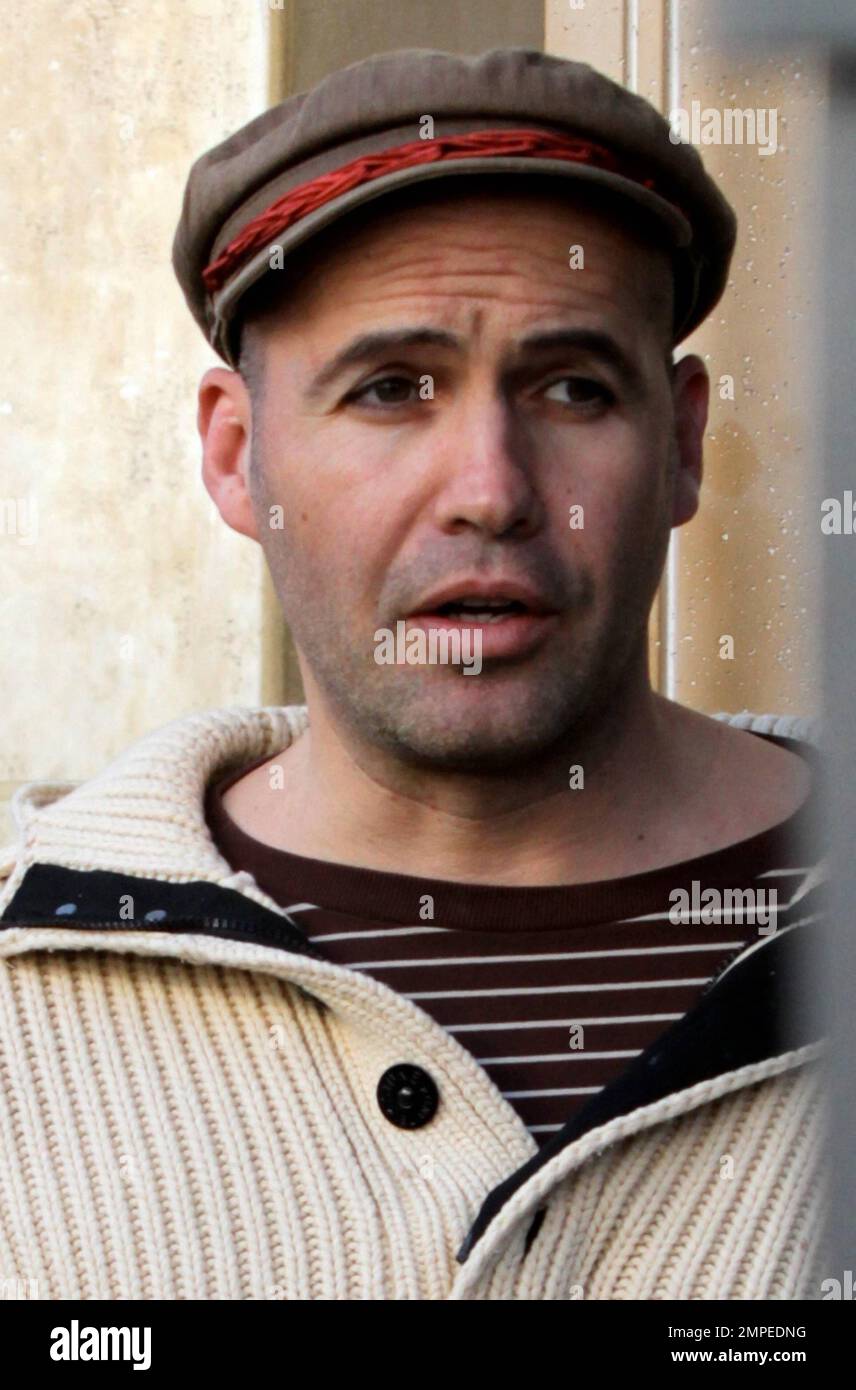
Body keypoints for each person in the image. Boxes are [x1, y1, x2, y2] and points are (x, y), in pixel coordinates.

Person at [0, 47, 827, 1300]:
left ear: (681, 444)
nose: (490, 490)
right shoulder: (26, 997)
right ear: (237, 457)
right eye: (390, 390)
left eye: (570, 387)